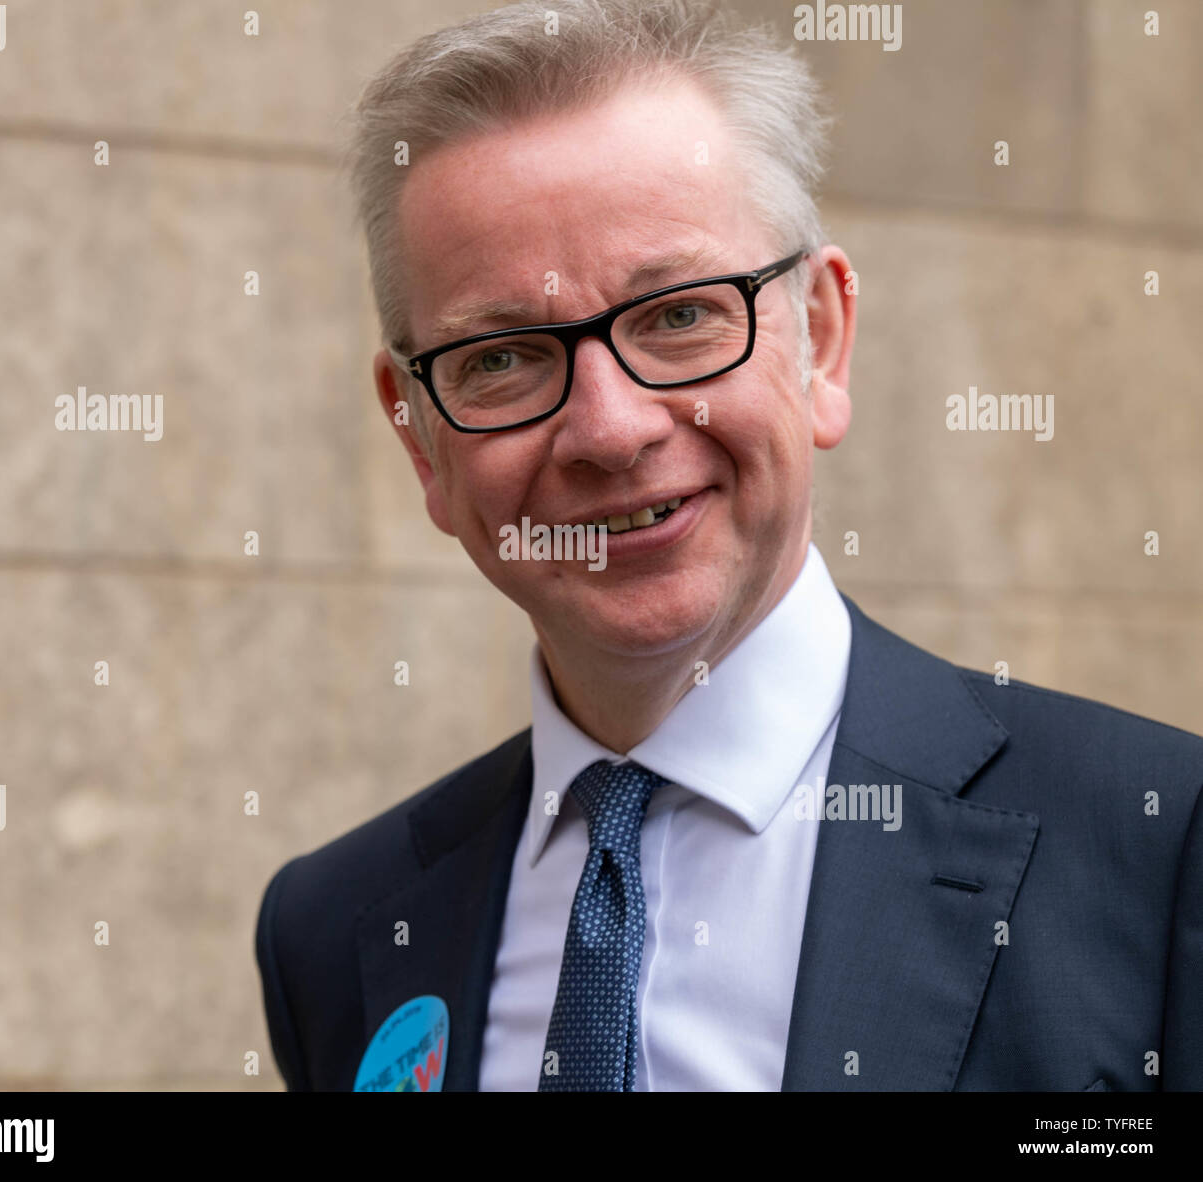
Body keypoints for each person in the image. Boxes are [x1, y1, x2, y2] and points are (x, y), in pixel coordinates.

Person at [255, 0, 1202, 1091]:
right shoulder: (335, 932)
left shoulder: (1155, 847)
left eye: (677, 317)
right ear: (418, 435)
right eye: (503, 358)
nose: (611, 430)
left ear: (821, 343)